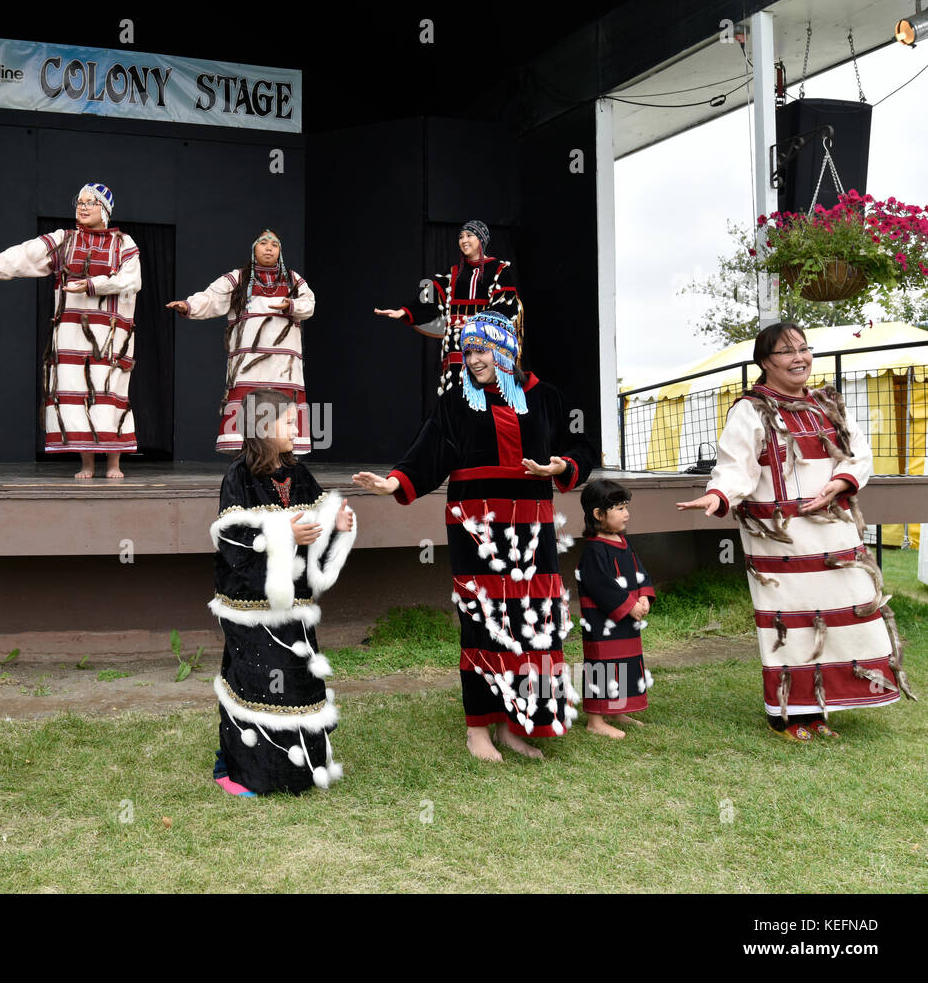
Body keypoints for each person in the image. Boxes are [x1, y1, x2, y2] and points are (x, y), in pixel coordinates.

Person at [354, 312, 596, 761]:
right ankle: (478, 728)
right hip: (476, 528)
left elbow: (580, 446)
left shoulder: (547, 397)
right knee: (484, 621)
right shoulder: (455, 402)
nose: (473, 359)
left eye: (481, 349)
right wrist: (394, 482)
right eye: (467, 352)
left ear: (506, 348)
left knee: (532, 622)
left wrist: (561, 466)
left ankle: (518, 722)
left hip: (532, 527)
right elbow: (426, 452)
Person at [677, 322, 911, 740]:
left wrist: (841, 482)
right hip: (780, 541)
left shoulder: (828, 404)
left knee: (847, 615)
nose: (799, 358)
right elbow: (735, 468)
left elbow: (858, 453)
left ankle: (821, 707)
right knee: (793, 625)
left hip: (835, 535)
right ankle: (787, 715)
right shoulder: (749, 409)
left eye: (804, 348)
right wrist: (717, 496)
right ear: (764, 361)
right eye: (786, 351)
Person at [209, 389, 356, 795]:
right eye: (289, 423)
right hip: (250, 608)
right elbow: (233, 539)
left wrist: (336, 523)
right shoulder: (238, 478)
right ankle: (236, 770)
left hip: (294, 607)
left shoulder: (300, 474)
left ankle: (296, 770)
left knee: (296, 678)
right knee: (252, 682)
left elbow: (317, 518)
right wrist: (281, 534)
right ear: (262, 427)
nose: (297, 430)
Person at [0, 183, 141, 479]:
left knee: (109, 393)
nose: (82, 206)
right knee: (77, 393)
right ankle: (88, 464)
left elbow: (131, 280)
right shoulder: (63, 240)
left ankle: (115, 463)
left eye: (90, 202)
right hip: (70, 332)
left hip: (110, 334)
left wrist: (93, 285)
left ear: (104, 209)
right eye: (79, 201)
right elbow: (26, 254)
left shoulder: (123, 243)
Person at [167, 229, 315, 453]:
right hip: (249, 364)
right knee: (248, 407)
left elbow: (309, 304)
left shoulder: (294, 281)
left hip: (284, 366)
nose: (268, 248)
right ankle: (247, 460)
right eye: (263, 243)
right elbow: (211, 298)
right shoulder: (238, 278)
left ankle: (283, 460)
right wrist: (188, 306)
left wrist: (291, 305)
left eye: (274, 245)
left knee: (284, 410)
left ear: (280, 252)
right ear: (254, 248)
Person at [372, 220, 521, 397]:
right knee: (455, 396)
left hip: (484, 346)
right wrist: (403, 311)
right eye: (461, 236)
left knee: (484, 397)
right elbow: (429, 300)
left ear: (481, 239)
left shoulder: (499, 270)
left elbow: (505, 308)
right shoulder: (453, 274)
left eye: (469, 235)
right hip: (456, 347)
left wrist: (474, 324)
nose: (463, 240)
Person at [577, 478, 654, 739]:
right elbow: (600, 586)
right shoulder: (594, 550)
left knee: (626, 663)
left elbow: (639, 572)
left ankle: (617, 710)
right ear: (598, 514)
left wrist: (643, 596)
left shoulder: (623, 543)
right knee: (603, 665)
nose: (626, 513)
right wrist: (627, 605)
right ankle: (596, 720)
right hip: (603, 625)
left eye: (626, 506)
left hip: (627, 622)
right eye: (619, 508)